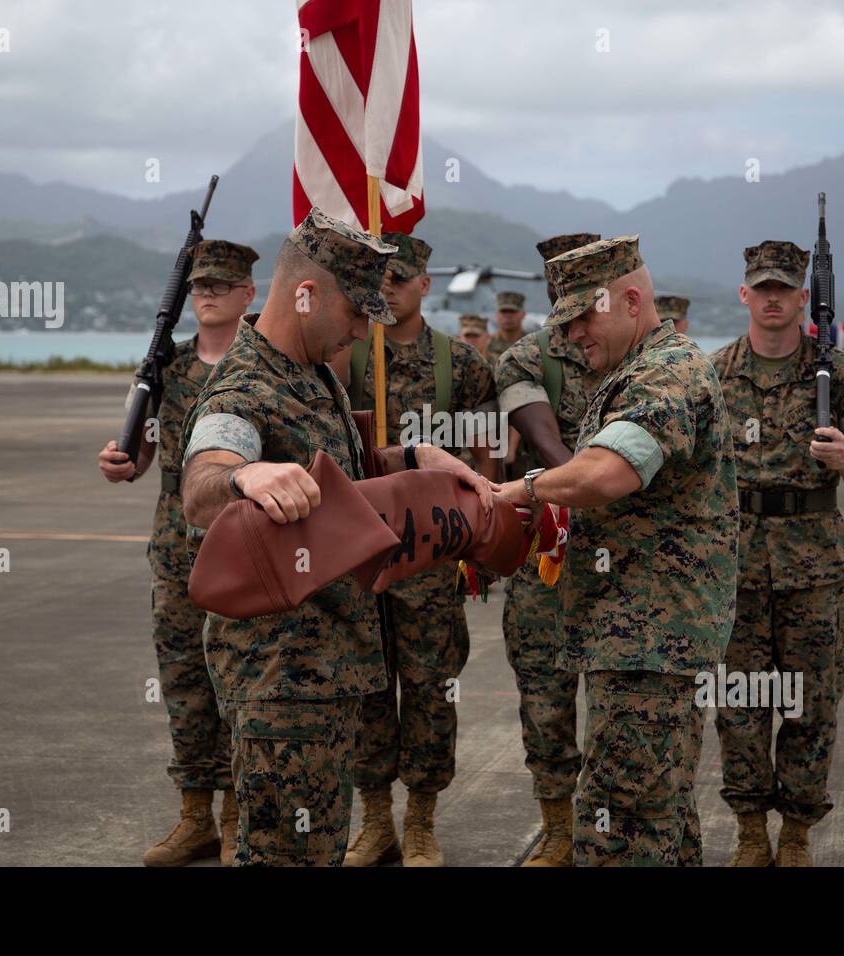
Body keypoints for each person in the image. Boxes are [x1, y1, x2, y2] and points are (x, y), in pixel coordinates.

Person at [179, 208, 491, 866]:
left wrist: (411, 461)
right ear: (305, 293)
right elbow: (203, 481)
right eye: (354, 311)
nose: (361, 327)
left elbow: (340, 481)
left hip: (330, 673)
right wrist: (245, 476)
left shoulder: (314, 374)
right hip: (283, 681)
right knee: (285, 855)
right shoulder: (243, 388)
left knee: (315, 849)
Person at [495, 235, 738, 866]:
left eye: (583, 317)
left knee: (618, 825)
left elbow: (604, 473)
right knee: (663, 821)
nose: (572, 334)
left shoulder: (667, 372)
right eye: (565, 320)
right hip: (634, 641)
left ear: (632, 301)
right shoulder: (629, 371)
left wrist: (515, 492)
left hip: (649, 644)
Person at [710, 240, 844, 867]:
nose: (773, 297)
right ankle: (751, 833)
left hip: (814, 565)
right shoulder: (712, 376)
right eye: (763, 287)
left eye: (785, 287)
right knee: (742, 703)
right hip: (735, 567)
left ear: (804, 296)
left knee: (813, 702)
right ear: (745, 295)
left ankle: (798, 835)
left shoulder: (841, 376)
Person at [334, 232, 498, 867]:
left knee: (431, 691)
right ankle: (375, 821)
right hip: (362, 557)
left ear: (424, 285)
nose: (386, 291)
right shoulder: (345, 361)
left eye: (398, 280)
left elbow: (486, 459)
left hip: (432, 561)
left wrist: (485, 539)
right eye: (378, 280)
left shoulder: (463, 365)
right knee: (368, 689)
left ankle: (422, 822)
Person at [98, 239, 258, 866]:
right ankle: (196, 815)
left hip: (243, 538)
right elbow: (141, 453)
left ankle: (239, 815)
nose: (207, 294)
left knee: (243, 680)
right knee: (185, 680)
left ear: (250, 293)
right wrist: (120, 461)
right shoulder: (167, 366)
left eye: (220, 285)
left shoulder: (262, 365)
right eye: (199, 286)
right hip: (174, 546)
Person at [491, 231, 601, 866]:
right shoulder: (525, 360)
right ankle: (558, 828)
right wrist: (596, 482)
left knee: (624, 700)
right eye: (561, 280)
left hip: (629, 563)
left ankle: (609, 824)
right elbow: (546, 441)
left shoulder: (644, 358)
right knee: (545, 697)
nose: (571, 294)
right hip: (549, 558)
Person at [488, 290, 528, 364]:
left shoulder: (531, 344)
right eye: (503, 311)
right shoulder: (486, 344)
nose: (508, 316)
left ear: (523, 314)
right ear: (496, 315)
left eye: (513, 311)